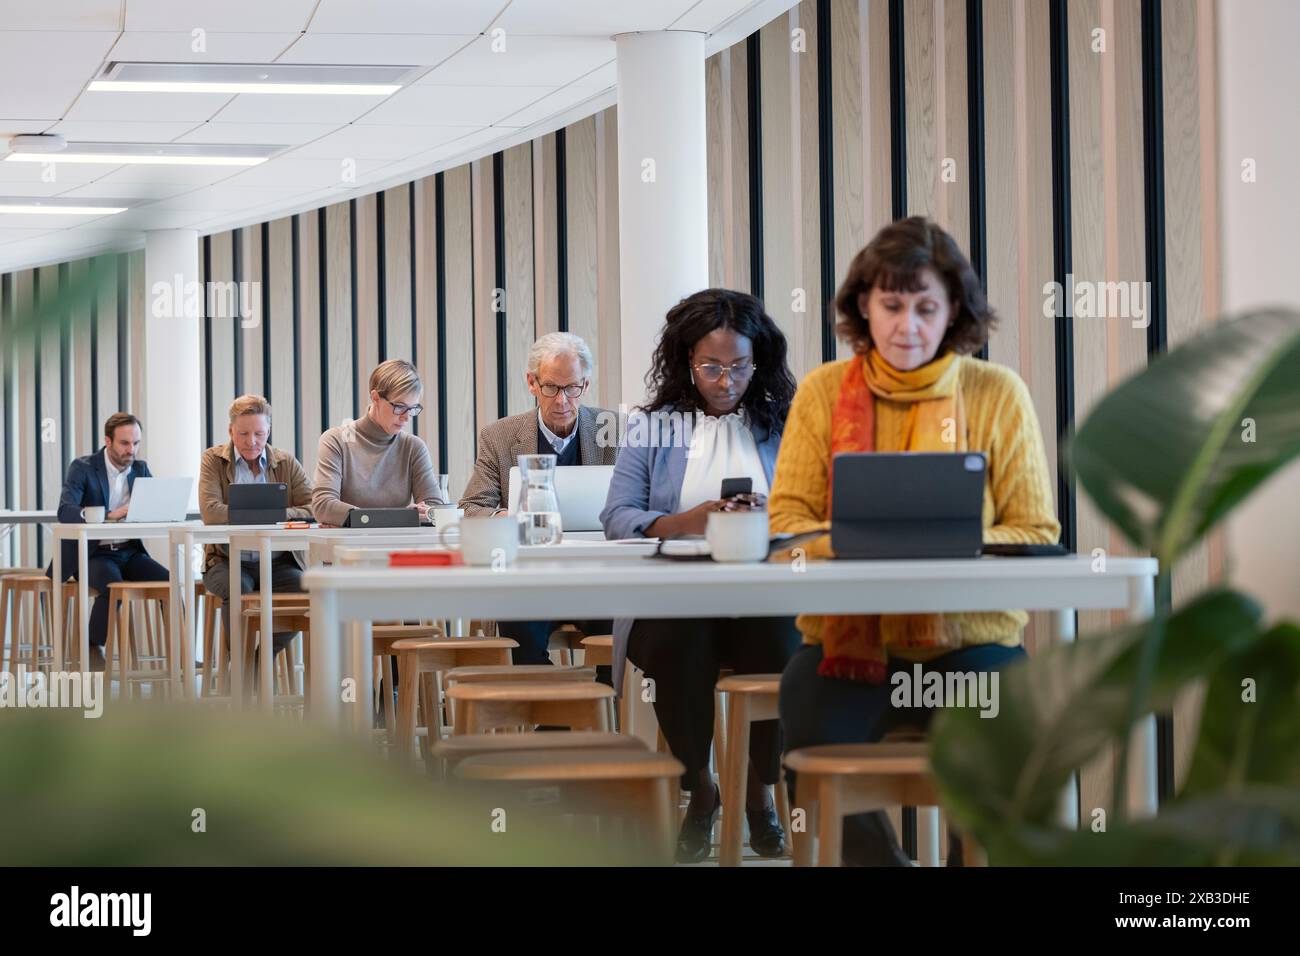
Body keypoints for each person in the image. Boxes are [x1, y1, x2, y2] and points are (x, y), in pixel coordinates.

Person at [769, 216, 1061, 865]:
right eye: (892, 306)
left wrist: (931, 545)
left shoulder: (996, 393)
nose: (908, 326)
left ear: (953, 310)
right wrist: (861, 544)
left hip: (971, 645)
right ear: (863, 308)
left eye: (925, 308)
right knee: (811, 745)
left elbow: (1036, 531)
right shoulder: (820, 391)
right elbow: (785, 524)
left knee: (1006, 764)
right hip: (846, 647)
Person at [601, 288, 799, 862]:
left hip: (761, 592)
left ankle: (759, 788)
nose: (726, 379)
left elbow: (818, 511)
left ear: (757, 359)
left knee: (780, 641)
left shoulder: (782, 424)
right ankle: (702, 788)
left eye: (739, 366)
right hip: (674, 594)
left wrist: (774, 516)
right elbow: (617, 517)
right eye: (711, 366)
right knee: (677, 643)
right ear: (687, 361)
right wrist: (688, 521)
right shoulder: (653, 427)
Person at [459, 332, 618, 668]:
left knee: (621, 630)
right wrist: (503, 518)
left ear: (585, 386)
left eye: (571, 388)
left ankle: (602, 712)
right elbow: (471, 507)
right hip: (527, 581)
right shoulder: (499, 436)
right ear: (531, 383)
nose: (562, 400)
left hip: (597, 580)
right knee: (520, 633)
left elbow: (640, 503)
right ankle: (552, 717)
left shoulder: (614, 433)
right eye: (551, 387)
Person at [49, 412, 169, 671]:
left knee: (172, 584)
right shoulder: (82, 467)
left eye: (136, 443)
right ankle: (93, 646)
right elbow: (65, 510)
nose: (131, 450)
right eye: (125, 443)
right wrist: (108, 515)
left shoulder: (141, 469)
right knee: (112, 585)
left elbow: (153, 507)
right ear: (108, 441)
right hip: (93, 554)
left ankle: (180, 652)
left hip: (129, 551)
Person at [199, 395, 313, 662]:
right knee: (238, 587)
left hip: (278, 562)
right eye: (243, 433)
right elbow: (211, 512)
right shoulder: (213, 460)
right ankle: (240, 667)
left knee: (308, 589)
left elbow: (314, 507)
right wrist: (270, 516)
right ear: (230, 431)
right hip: (226, 561)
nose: (252, 441)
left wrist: (271, 515)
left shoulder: (285, 462)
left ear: (268, 431)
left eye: (259, 433)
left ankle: (257, 664)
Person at [313, 359, 446, 526]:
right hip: (349, 549)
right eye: (399, 406)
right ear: (375, 397)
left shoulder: (413, 447)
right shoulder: (337, 440)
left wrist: (354, 519)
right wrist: (401, 517)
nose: (406, 417)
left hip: (398, 548)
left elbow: (435, 510)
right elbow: (322, 505)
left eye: (412, 409)